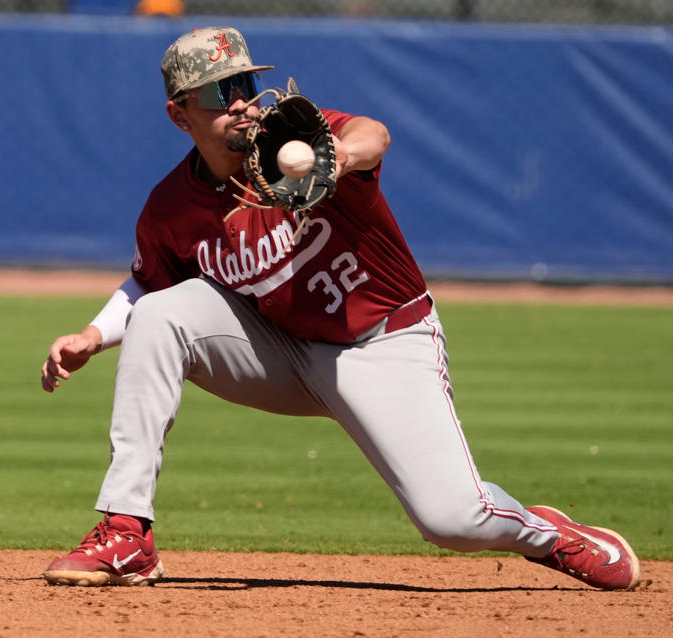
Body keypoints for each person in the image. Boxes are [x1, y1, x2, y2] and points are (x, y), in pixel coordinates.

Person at [40, 25, 641, 590]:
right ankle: (127, 532)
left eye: (244, 82)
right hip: (280, 350)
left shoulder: (301, 140)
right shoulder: (171, 206)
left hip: (383, 342)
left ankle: (548, 535)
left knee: (453, 521)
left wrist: (342, 158)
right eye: (221, 92)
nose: (242, 101)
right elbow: (147, 285)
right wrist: (92, 335)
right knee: (160, 315)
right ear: (180, 115)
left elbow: (374, 134)